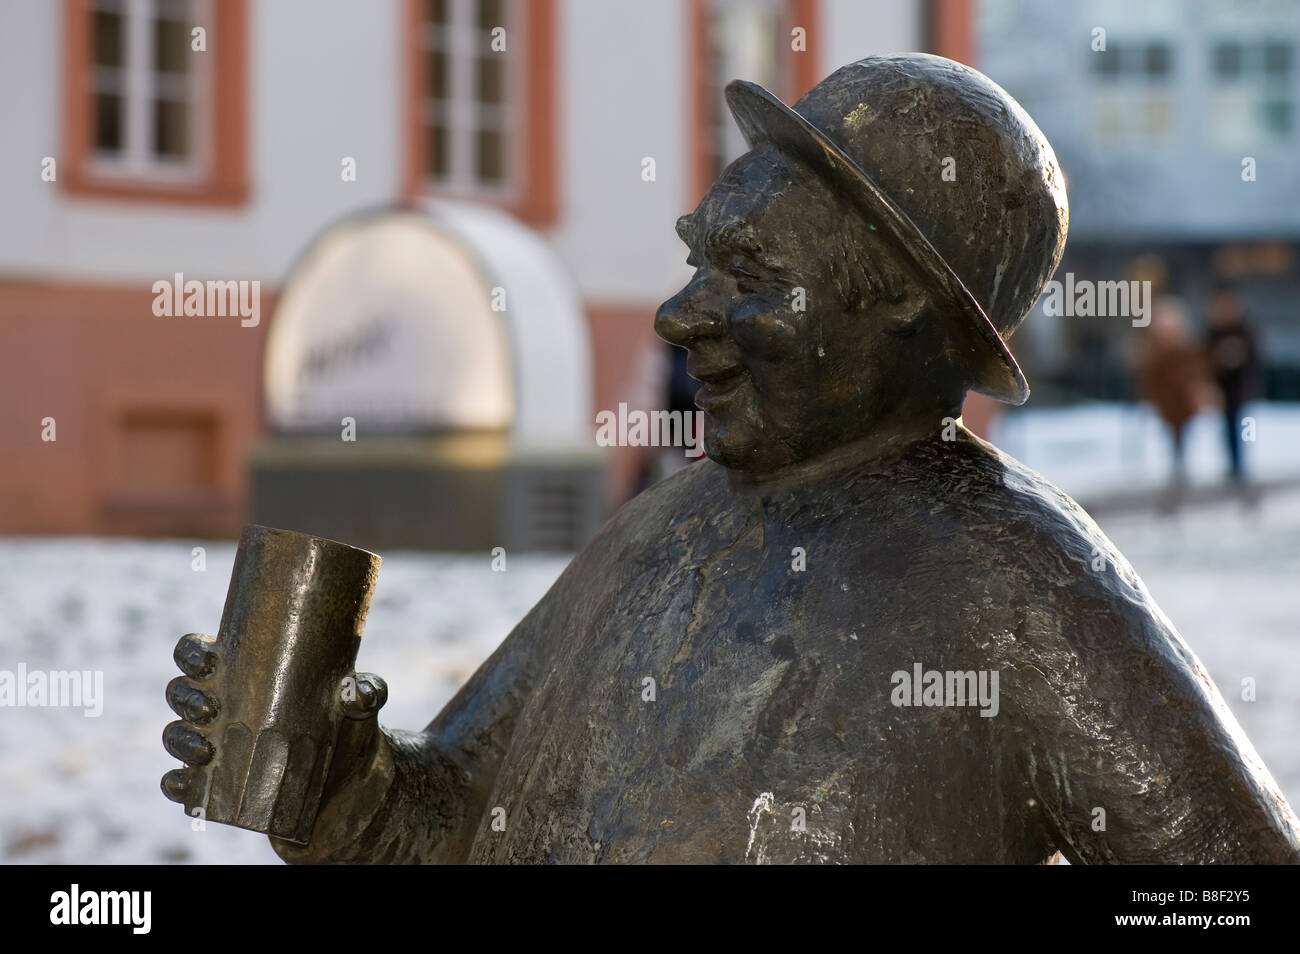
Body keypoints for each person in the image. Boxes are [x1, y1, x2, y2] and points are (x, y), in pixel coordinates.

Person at [164, 54, 1300, 863]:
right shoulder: (664, 528)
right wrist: (341, 791)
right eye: (698, 258)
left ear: (902, 302)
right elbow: (457, 817)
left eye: (747, 274)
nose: (676, 316)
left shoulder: (1022, 588)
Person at [1136, 298, 1209, 506]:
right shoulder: (1155, 353)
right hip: (1168, 407)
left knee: (1181, 440)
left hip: (1183, 406)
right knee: (1173, 441)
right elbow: (1151, 381)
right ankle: (1178, 475)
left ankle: (1181, 475)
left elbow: (1196, 374)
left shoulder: (1186, 349)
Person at [1205, 282, 1261, 484]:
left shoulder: (1244, 330)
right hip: (1221, 389)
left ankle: (1240, 466)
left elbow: (1253, 360)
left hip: (1240, 389)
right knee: (1225, 428)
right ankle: (1231, 465)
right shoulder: (1213, 331)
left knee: (1242, 427)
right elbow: (1205, 358)